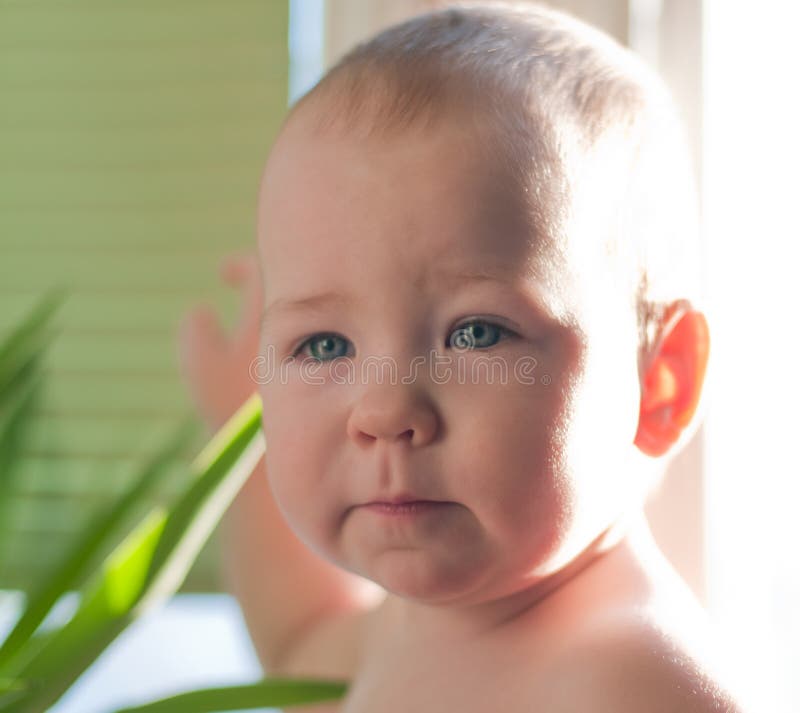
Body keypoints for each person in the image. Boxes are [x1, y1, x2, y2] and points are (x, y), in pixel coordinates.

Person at [178, 3, 750, 711]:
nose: (384, 411)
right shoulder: (408, 626)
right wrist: (243, 423)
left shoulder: (634, 683)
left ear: (661, 381)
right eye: (324, 345)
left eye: (476, 333)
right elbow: (299, 646)